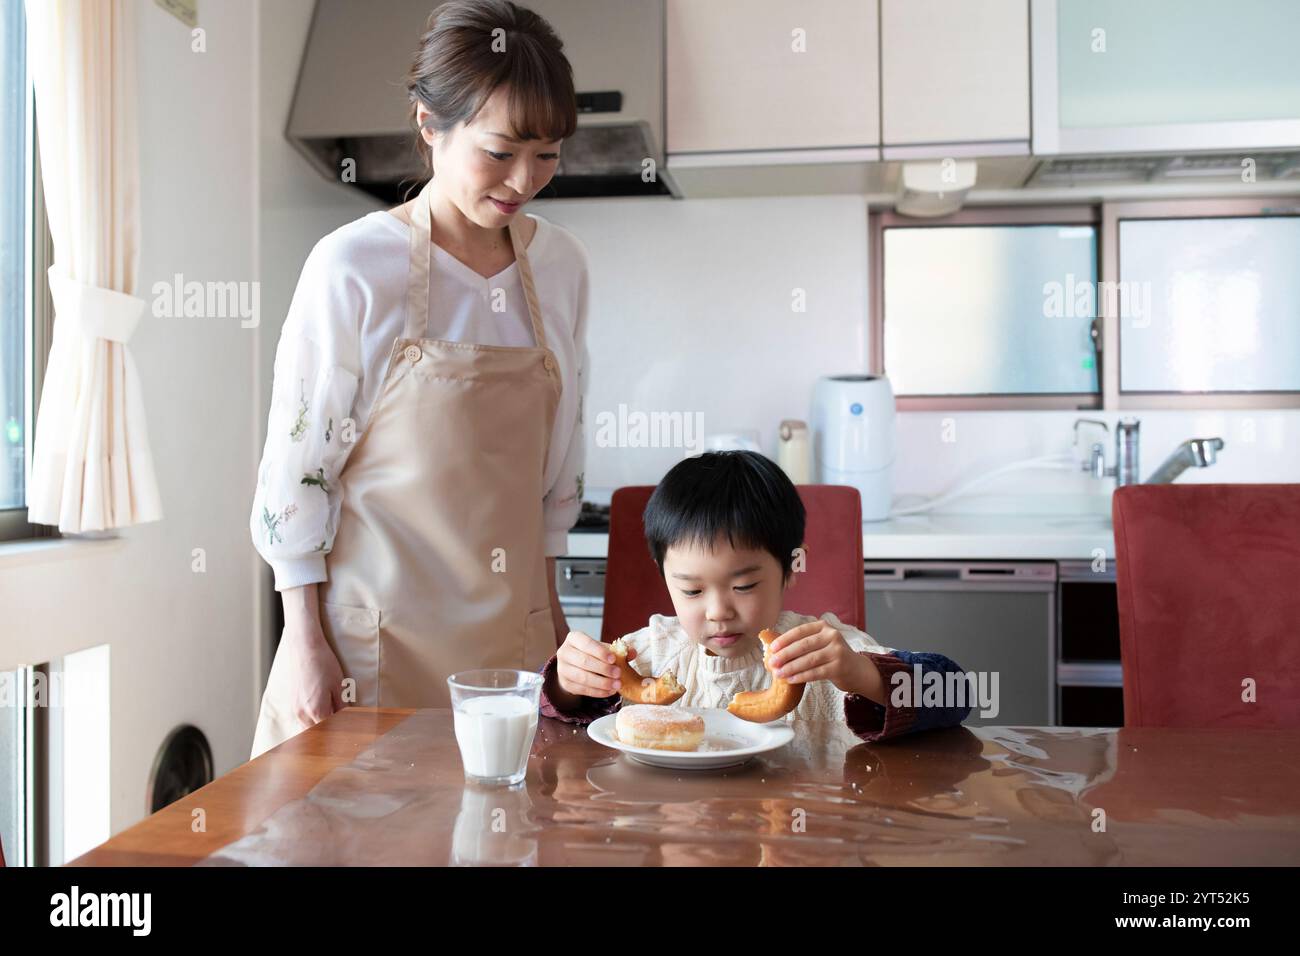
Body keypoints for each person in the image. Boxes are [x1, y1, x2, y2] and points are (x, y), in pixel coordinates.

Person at [250, 1, 589, 757]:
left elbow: (556, 471)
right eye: (501, 152)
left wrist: (556, 620)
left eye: (547, 154)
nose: (524, 180)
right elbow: (298, 473)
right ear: (430, 125)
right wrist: (303, 639)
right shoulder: (353, 266)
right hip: (372, 647)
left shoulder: (562, 267)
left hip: (512, 647)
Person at [541, 452, 973, 741]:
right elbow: (562, 716)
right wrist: (567, 683)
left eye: (744, 586)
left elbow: (955, 693)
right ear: (665, 578)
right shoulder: (653, 653)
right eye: (691, 590)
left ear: (790, 568)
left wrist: (864, 676)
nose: (718, 611)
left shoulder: (823, 652)